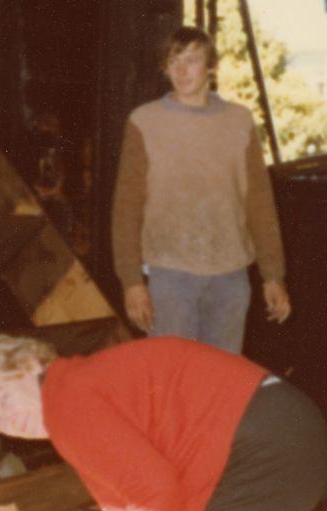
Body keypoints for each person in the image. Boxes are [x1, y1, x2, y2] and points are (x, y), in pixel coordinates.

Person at [0, 333, 327, 511]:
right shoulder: (78, 386)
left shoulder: (65, 403)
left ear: (31, 362)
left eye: (3, 399)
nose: (9, 421)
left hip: (264, 448)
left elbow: (153, 493)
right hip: (286, 433)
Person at [111, 26, 290, 352]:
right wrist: (132, 282)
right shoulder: (144, 122)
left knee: (221, 382)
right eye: (173, 61)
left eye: (191, 60)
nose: (181, 71)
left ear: (211, 65)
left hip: (230, 277)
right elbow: (127, 207)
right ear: (164, 68)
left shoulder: (239, 121)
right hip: (170, 276)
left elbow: (259, 201)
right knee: (173, 378)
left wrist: (273, 275)